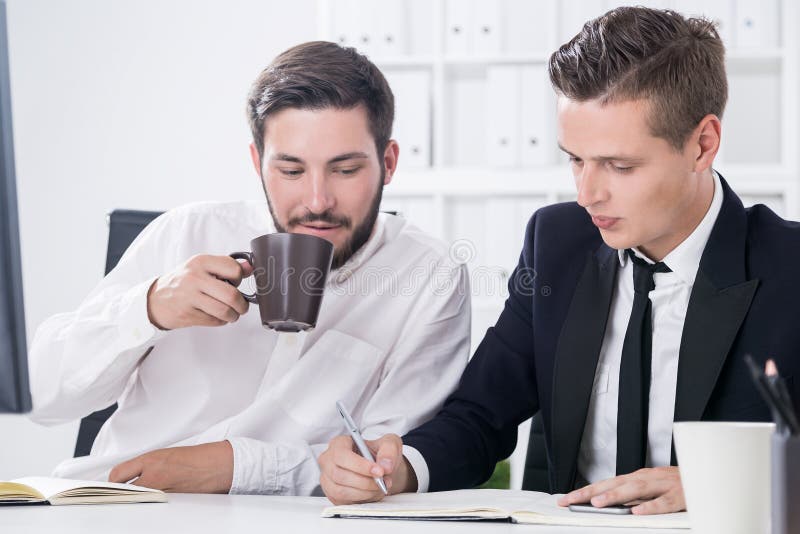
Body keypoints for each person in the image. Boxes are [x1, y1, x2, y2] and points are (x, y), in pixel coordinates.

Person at [318, 6, 800, 514]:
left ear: (703, 145)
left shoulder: (789, 267)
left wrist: (725, 484)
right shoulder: (556, 243)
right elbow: (480, 414)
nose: (587, 194)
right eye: (575, 159)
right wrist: (398, 468)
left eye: (620, 166)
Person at [28, 41, 471, 495]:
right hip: (114, 503)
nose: (317, 201)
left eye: (345, 170)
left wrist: (235, 466)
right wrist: (148, 309)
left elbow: (380, 467)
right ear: (258, 163)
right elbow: (43, 398)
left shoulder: (429, 276)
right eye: (291, 171)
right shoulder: (185, 232)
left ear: (388, 163)